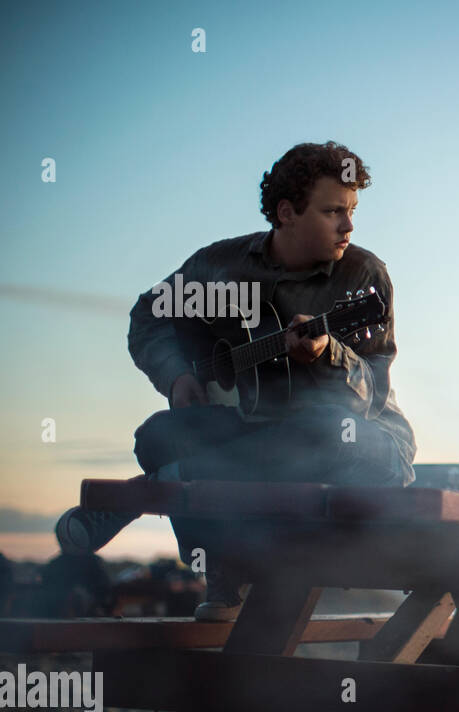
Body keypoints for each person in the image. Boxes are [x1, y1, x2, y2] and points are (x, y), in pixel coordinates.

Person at [54, 142, 417, 620]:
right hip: (260, 436)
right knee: (158, 434)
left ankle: (165, 487)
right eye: (333, 211)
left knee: (327, 430)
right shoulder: (219, 267)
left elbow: (372, 388)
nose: (348, 225)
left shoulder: (364, 277)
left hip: (360, 446)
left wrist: (328, 351)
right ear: (287, 212)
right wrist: (179, 376)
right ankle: (222, 565)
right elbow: (150, 317)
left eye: (351, 211)